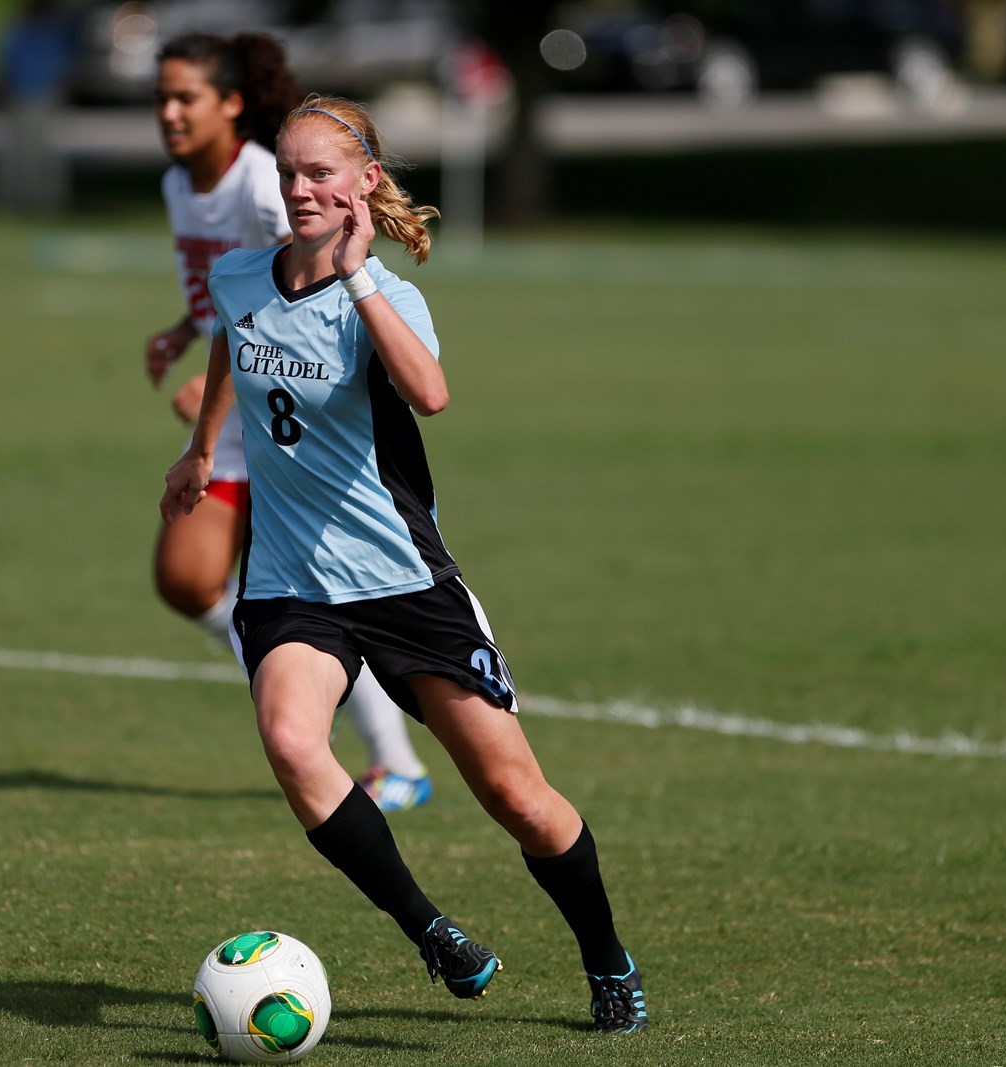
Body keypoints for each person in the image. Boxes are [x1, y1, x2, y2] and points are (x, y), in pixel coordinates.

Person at [161, 95, 648, 1034]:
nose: (300, 189)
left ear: (364, 184)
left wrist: (357, 283)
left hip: (404, 582)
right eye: (289, 173)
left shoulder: (387, 297)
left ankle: (607, 957)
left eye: (320, 174)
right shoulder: (241, 276)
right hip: (291, 583)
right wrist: (200, 449)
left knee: (519, 799)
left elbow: (430, 393)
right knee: (295, 745)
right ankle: (433, 933)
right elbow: (234, 343)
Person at [146, 35, 433, 812]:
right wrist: (184, 328)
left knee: (295, 591)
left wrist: (222, 388)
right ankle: (314, 690)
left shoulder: (265, 185)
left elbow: (288, 301)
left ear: (231, 104)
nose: (169, 113)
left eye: (187, 98)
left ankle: (386, 748)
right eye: (161, 97)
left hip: (280, 406)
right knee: (186, 578)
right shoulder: (182, 184)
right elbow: (228, 290)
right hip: (233, 403)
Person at [0, 0, 72, 216]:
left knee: (42, 153)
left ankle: (44, 202)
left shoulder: (51, 34)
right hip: (20, 96)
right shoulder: (18, 33)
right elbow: (5, 64)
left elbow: (61, 69)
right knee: (16, 154)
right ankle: (13, 202)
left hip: (43, 97)